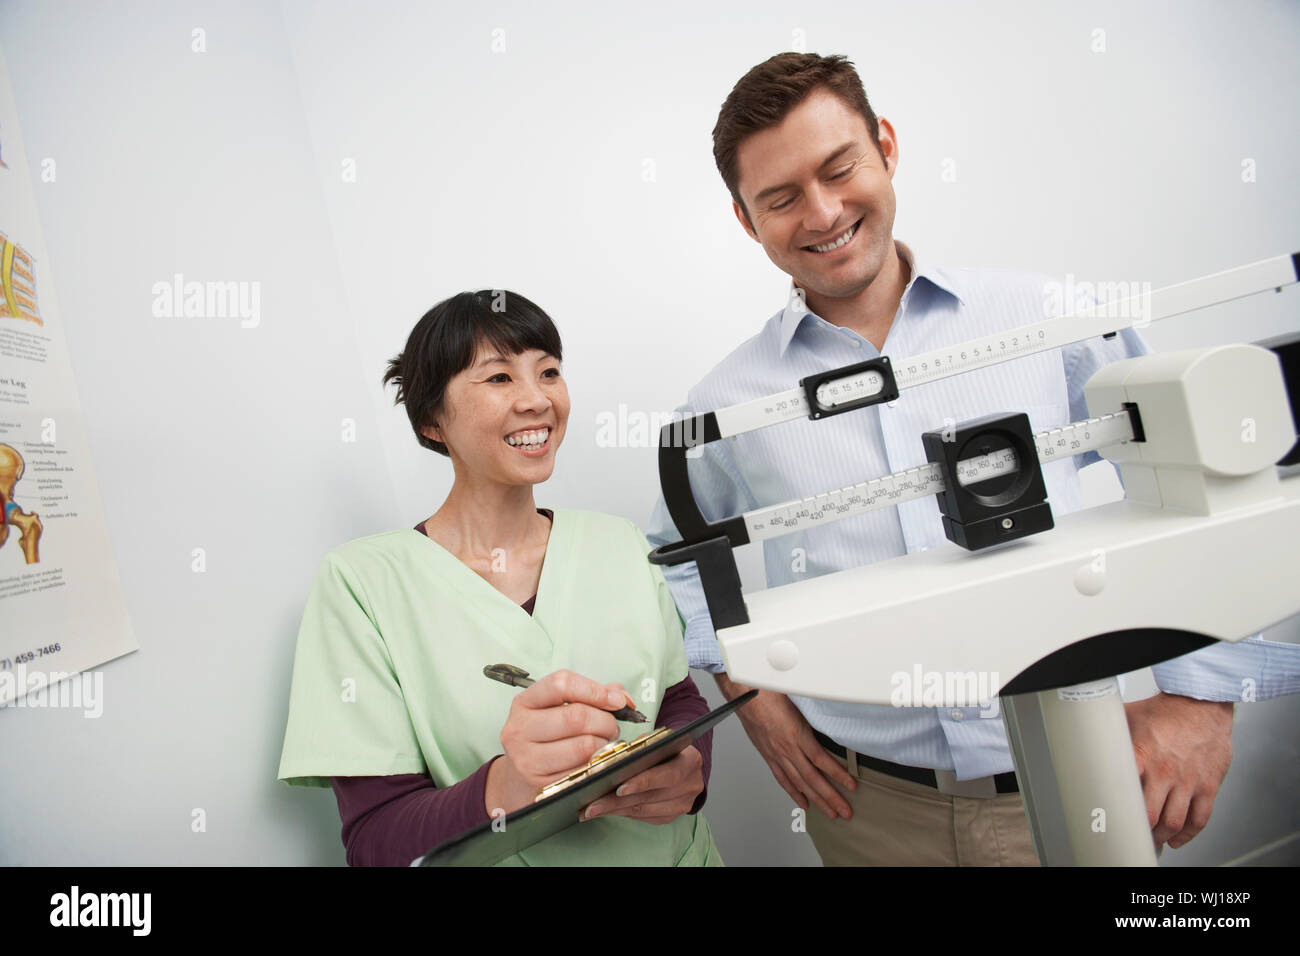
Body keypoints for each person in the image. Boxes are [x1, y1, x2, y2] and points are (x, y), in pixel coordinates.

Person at [647, 52, 1288, 866]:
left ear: (885, 144)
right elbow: (671, 556)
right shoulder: (724, 406)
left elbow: (1202, 479)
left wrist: (1205, 701)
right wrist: (749, 694)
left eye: (840, 168)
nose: (822, 212)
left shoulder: (1049, 317)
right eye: (780, 198)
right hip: (869, 808)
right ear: (746, 219)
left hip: (1081, 777)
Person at [278, 290, 722, 866]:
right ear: (432, 420)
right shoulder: (362, 586)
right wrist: (506, 788)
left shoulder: (619, 542)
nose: (537, 399)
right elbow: (374, 844)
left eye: (549, 371)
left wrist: (691, 771)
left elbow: (676, 698)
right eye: (499, 379)